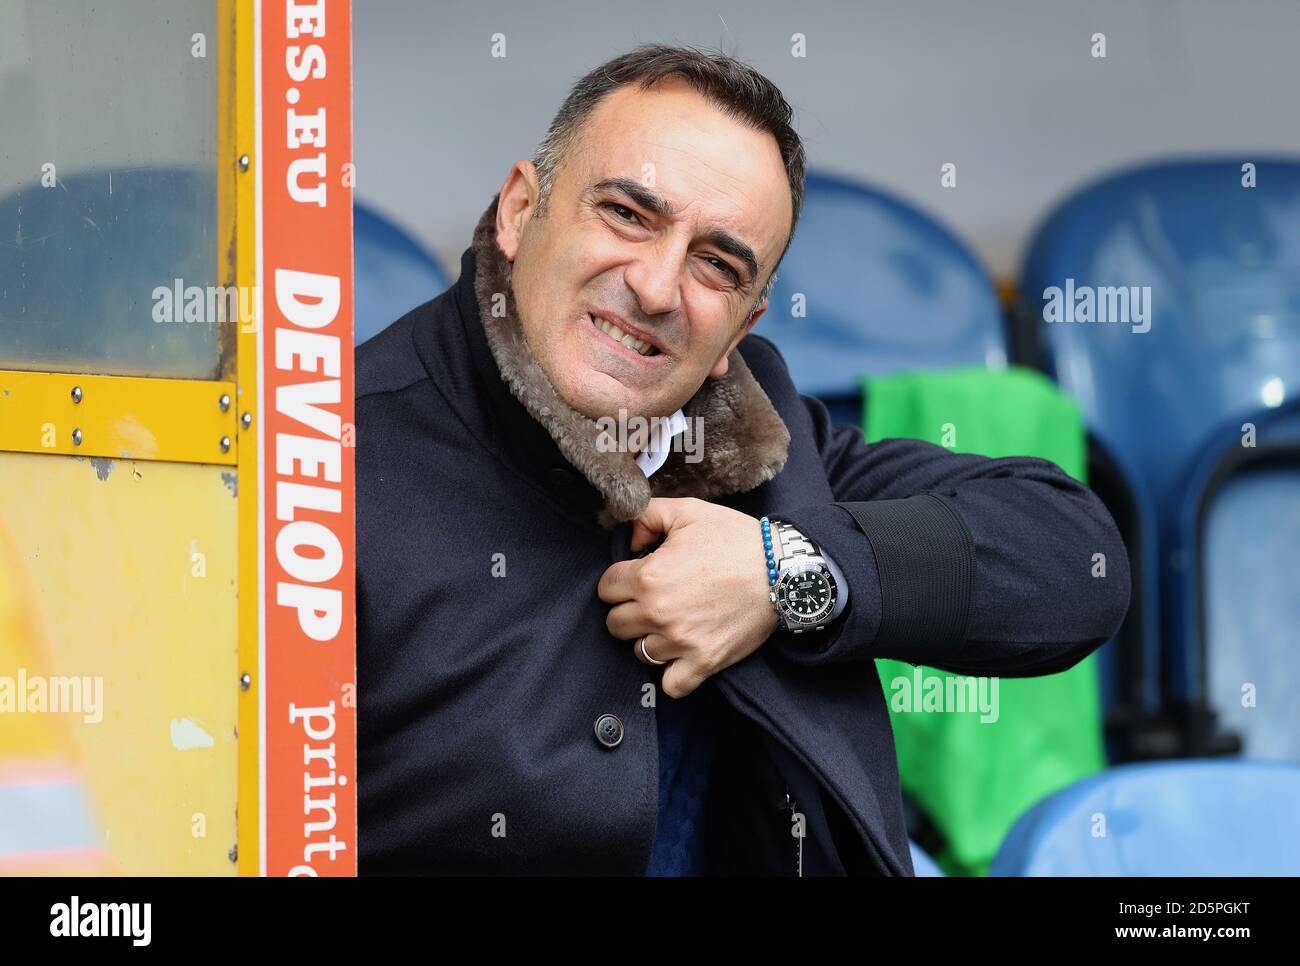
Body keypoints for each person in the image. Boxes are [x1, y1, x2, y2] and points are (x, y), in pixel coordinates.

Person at [354, 43, 1129, 875]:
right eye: (627, 213)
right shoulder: (325, 468)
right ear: (519, 210)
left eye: (716, 264)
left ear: (742, 330)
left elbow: (1077, 564)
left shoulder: (756, 433)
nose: (656, 288)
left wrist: (785, 573)